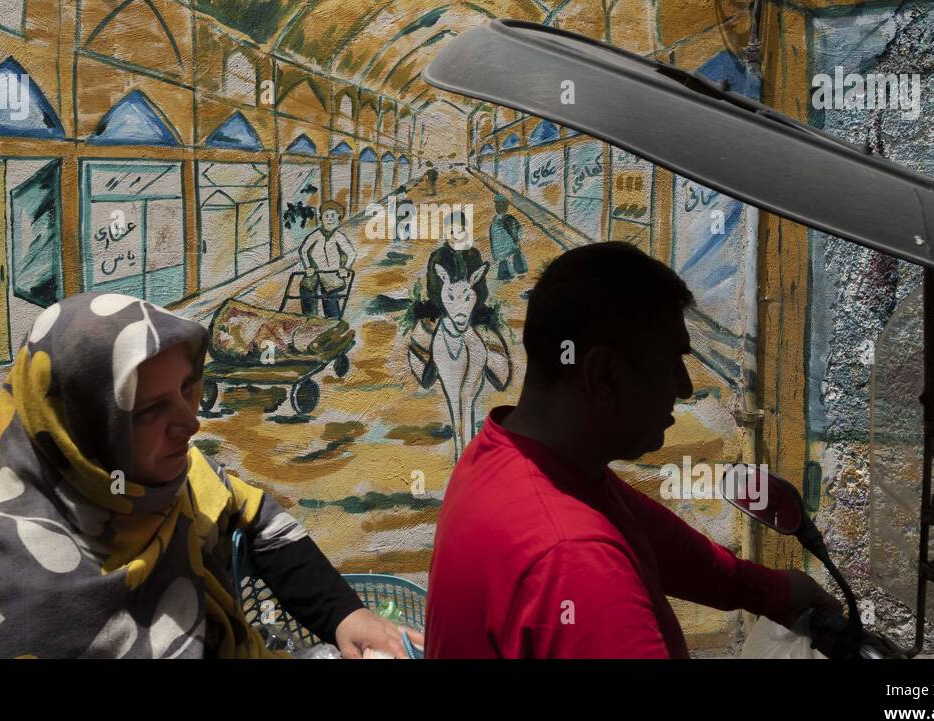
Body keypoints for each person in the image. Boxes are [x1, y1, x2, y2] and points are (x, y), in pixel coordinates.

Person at [0, 291, 417, 658]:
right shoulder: (12, 606)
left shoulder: (163, 481)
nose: (191, 423)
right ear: (81, 431)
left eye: (188, 388)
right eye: (148, 410)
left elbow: (256, 516)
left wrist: (345, 615)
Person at [423, 242, 839, 658]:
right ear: (604, 375)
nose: (684, 386)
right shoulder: (575, 559)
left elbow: (661, 542)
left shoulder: (508, 454)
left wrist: (768, 590)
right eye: (672, 362)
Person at [297, 201, 355, 318]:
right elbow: (303, 250)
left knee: (331, 299)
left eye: (333, 216)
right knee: (306, 290)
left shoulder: (339, 237)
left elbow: (351, 253)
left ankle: (333, 321)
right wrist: (308, 267)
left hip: (331, 274)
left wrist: (345, 268)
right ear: (321, 219)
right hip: (315, 272)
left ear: (339, 219)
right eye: (326, 216)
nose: (330, 219)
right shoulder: (316, 235)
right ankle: (309, 319)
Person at [488, 194, 527, 280]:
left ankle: (519, 272)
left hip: (506, 247)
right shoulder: (495, 222)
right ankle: (509, 275)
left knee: (515, 257)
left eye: (500, 204)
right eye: (497, 204)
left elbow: (517, 229)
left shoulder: (505, 219)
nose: (497, 206)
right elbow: (518, 229)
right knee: (508, 259)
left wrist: (517, 238)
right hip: (503, 247)